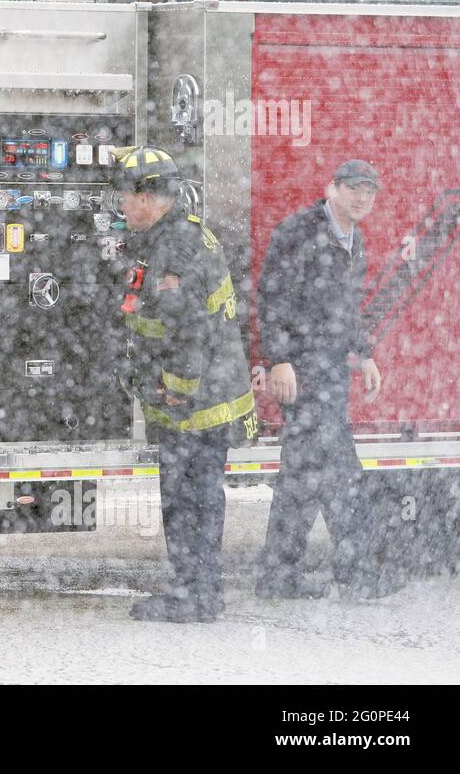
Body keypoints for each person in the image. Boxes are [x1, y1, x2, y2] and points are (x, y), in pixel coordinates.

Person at [113, 146, 257, 623]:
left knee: (186, 499)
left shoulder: (174, 246)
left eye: (127, 196)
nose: (122, 205)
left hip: (194, 404)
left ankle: (191, 594)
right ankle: (200, 590)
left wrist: (175, 391)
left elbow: (186, 328)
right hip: (208, 394)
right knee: (199, 495)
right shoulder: (180, 235)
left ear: (152, 197)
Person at [256, 159, 405, 600]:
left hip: (330, 371)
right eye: (355, 188)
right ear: (332, 188)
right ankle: (356, 574)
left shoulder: (354, 239)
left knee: (304, 476)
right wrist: (279, 360)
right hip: (303, 373)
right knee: (341, 474)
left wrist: (363, 353)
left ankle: (279, 576)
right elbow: (272, 297)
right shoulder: (299, 232)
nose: (363, 198)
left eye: (370, 192)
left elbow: (345, 310)